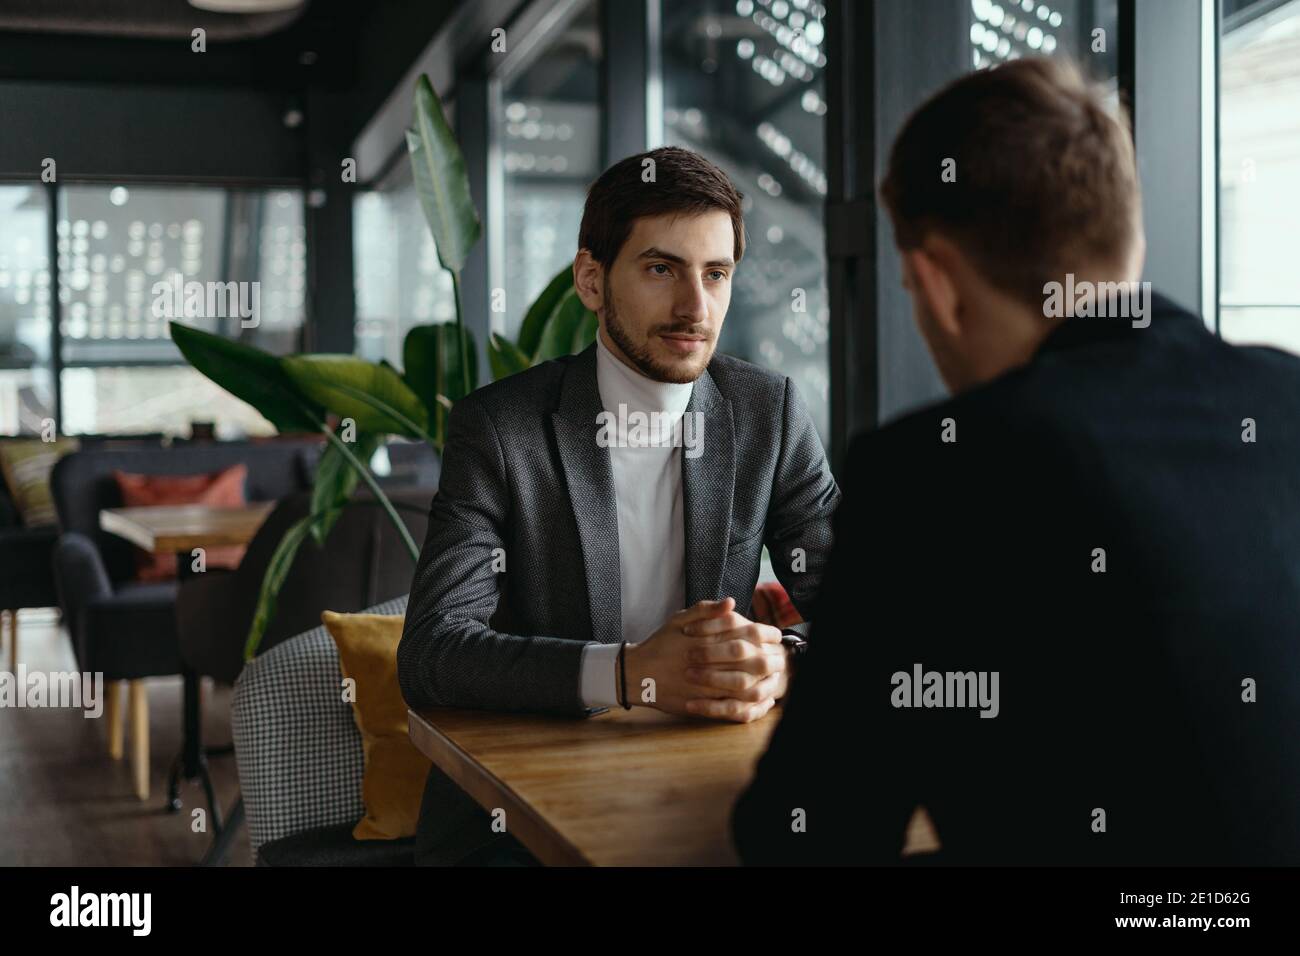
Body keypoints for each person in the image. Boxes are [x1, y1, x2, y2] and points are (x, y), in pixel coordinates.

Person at [733, 57, 1300, 865]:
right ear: (1126, 233)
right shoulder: (1286, 396)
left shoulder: (935, 473)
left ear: (938, 284)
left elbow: (807, 832)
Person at [398, 145, 839, 864]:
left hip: (706, 789)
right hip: (518, 811)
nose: (696, 308)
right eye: (662, 269)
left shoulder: (770, 414)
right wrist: (632, 673)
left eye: (716, 274)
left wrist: (780, 663)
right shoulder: (501, 428)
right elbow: (432, 653)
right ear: (592, 281)